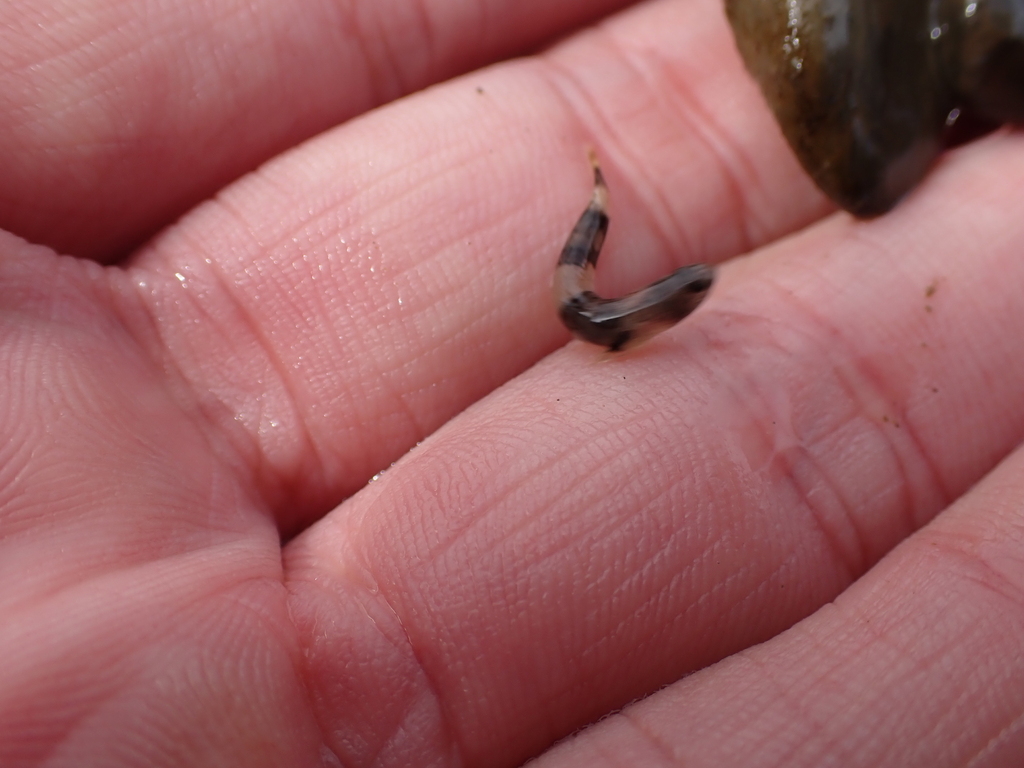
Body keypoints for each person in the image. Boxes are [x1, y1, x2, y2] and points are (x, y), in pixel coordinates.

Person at [3, 0, 1023, 765]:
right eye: (687, 297)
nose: (693, 297)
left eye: (686, 297)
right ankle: (596, 207)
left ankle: (598, 207)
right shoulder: (626, 323)